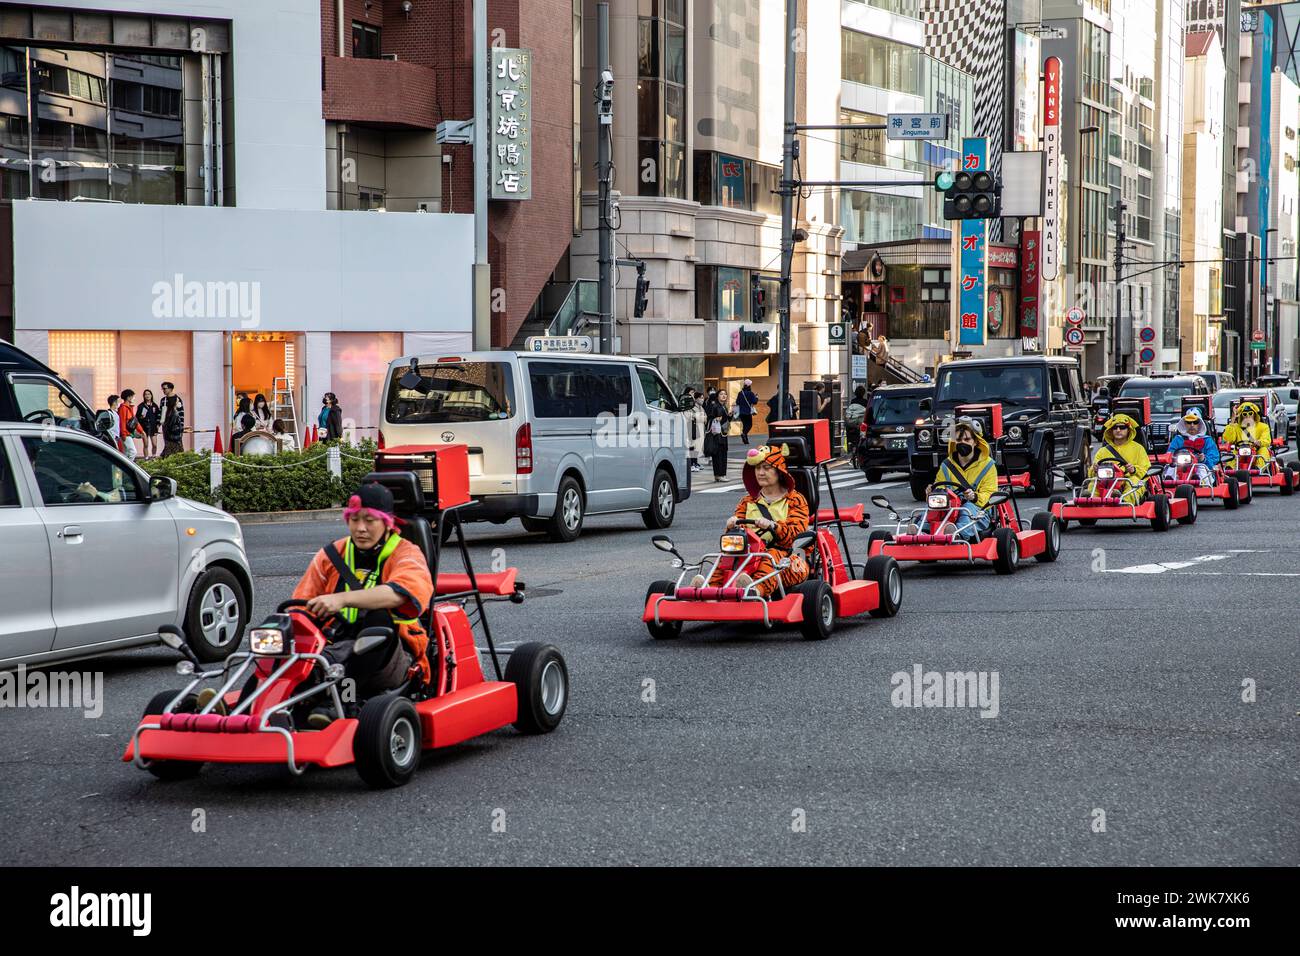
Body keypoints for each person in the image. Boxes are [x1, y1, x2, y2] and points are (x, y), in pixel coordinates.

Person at [290, 481, 435, 727]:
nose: (361, 528)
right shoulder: (331, 555)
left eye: (369, 521)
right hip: (334, 646)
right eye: (354, 520)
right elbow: (300, 607)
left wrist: (342, 599)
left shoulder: (406, 554)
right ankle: (245, 706)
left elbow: (400, 594)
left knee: (379, 620)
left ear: (387, 522)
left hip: (393, 655)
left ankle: (344, 701)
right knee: (278, 631)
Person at [696, 443, 811, 597]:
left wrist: (773, 526)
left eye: (766, 468)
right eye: (757, 468)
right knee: (727, 557)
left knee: (771, 557)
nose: (761, 473)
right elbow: (735, 539)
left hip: (790, 557)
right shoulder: (747, 501)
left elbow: (795, 537)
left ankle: (755, 590)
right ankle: (708, 590)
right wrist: (731, 527)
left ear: (779, 472)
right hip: (751, 553)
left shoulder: (795, 500)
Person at [924, 417, 997, 541]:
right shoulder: (946, 465)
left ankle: (956, 535)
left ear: (975, 441)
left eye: (967, 439)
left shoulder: (988, 465)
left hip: (978, 510)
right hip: (949, 509)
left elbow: (990, 495)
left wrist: (974, 496)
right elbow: (939, 491)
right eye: (958, 439)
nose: (962, 442)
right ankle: (921, 532)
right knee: (929, 512)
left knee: (966, 510)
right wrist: (932, 493)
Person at [1091, 412, 1150, 504]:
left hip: (1128, 478)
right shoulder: (1103, 451)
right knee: (1093, 482)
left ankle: (1124, 500)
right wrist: (1094, 469)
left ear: (1128, 430)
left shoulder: (1138, 448)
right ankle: (1089, 501)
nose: (1118, 430)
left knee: (1134, 482)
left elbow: (1145, 468)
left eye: (1122, 427)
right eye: (1115, 427)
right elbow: (1091, 472)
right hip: (1107, 480)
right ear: (1111, 430)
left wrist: (1133, 469)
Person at [1163, 408, 1219, 485]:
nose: (1192, 425)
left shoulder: (1207, 440)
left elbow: (1214, 457)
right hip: (1180, 466)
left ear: (1200, 424)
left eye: (1195, 422)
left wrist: (1203, 459)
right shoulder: (1178, 439)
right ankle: (1169, 481)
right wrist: (1174, 457)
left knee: (1202, 468)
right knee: (1171, 467)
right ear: (1185, 424)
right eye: (1189, 422)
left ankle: (1199, 481)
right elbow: (1169, 453)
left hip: (1200, 465)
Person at [704, 388, 732, 481]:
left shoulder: (724, 406)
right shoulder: (715, 406)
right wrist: (715, 418)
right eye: (721, 394)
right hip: (717, 434)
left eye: (725, 394)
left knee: (722, 453)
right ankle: (720, 475)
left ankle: (719, 475)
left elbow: (726, 420)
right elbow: (709, 418)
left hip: (723, 433)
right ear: (717, 396)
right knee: (719, 454)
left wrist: (730, 416)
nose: (724, 396)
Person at [681, 387, 706, 473]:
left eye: (693, 393)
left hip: (695, 427)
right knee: (691, 446)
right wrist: (697, 416)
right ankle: (691, 464)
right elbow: (688, 416)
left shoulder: (693, 403)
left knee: (695, 446)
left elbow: (704, 417)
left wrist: (697, 417)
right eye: (691, 392)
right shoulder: (685, 402)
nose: (693, 394)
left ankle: (695, 462)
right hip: (689, 426)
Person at [160, 381, 185, 457]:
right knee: (168, 444)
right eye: (162, 389)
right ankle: (168, 459)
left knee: (177, 444)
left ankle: (175, 459)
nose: (163, 390)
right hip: (166, 427)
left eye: (165, 388)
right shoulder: (163, 400)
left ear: (170, 389)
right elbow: (160, 413)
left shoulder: (177, 399)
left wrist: (181, 427)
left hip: (175, 426)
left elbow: (181, 414)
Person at [135, 388, 161, 459]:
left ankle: (153, 457)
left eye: (149, 394)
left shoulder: (155, 405)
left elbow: (159, 416)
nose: (147, 396)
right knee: (146, 445)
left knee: (154, 444)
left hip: (153, 427)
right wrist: (141, 417)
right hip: (144, 428)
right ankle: (146, 458)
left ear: (151, 395)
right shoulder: (141, 406)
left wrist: (158, 425)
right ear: (143, 396)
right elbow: (137, 417)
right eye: (145, 394)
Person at [736, 379, 760, 445]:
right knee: (749, 425)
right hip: (747, 412)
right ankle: (744, 434)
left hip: (741, 412)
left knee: (745, 425)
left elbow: (737, 402)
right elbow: (755, 402)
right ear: (749, 386)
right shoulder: (751, 393)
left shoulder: (740, 393)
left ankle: (745, 440)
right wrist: (757, 397)